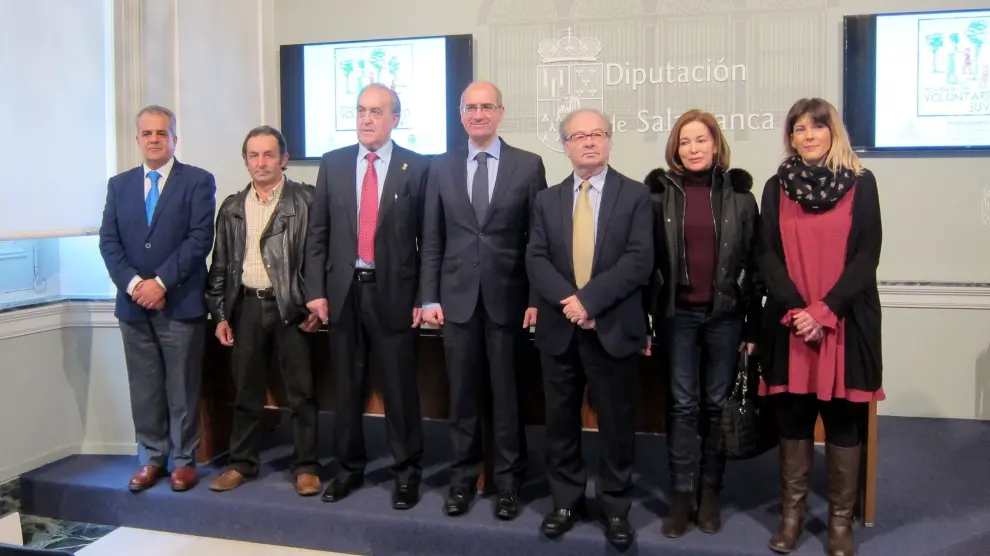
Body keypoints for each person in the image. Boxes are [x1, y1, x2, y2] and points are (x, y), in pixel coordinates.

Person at [758, 97, 883, 556]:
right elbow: (767, 254)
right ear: (790, 137)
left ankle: (839, 524)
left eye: (817, 127)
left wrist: (826, 311)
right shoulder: (776, 187)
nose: (808, 135)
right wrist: (797, 311)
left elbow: (866, 257)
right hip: (792, 324)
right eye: (798, 129)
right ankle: (791, 518)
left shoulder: (862, 185)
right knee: (792, 420)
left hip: (844, 324)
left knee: (843, 423)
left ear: (833, 132)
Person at [525, 107, 653, 549]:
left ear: (610, 141)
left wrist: (591, 301)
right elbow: (536, 259)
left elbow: (639, 260)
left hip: (611, 326)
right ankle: (565, 501)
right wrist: (571, 304)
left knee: (617, 422)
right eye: (579, 136)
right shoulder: (546, 200)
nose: (589, 142)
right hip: (562, 329)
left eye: (597, 134)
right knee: (560, 421)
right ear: (565, 145)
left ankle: (615, 507)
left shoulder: (635, 195)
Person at [420, 81, 548, 520]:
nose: (478, 114)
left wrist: (535, 296)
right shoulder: (440, 166)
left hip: (508, 301)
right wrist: (429, 295)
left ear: (501, 112)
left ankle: (510, 484)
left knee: (508, 396)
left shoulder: (528, 166)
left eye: (486, 106)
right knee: (462, 397)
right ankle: (462, 480)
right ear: (460, 115)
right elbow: (432, 237)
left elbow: (538, 241)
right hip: (455, 301)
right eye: (470, 107)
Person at [305, 83, 429, 510]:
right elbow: (317, 234)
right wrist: (316, 292)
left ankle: (407, 473)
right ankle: (347, 469)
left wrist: (425, 296)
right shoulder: (334, 163)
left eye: (377, 112)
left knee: (399, 388)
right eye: (360, 111)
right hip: (343, 294)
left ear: (395, 118)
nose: (366, 119)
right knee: (347, 386)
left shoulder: (418, 167)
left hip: (394, 294)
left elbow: (428, 239)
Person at [643, 109, 761, 537]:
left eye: (701, 140)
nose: (693, 149)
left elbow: (755, 265)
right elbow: (646, 262)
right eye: (685, 141)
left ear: (716, 145)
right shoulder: (659, 196)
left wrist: (751, 327)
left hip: (725, 317)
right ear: (676, 148)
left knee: (715, 405)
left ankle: (710, 491)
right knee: (682, 405)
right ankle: (680, 494)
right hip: (678, 316)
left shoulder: (741, 197)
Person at [98, 105, 216, 492]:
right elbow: (109, 242)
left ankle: (183, 461)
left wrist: (161, 283)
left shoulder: (198, 181)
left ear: (174, 139)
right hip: (133, 307)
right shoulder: (119, 185)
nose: (153, 139)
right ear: (137, 140)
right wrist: (135, 286)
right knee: (145, 388)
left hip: (180, 303)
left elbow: (200, 240)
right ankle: (151, 458)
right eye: (146, 133)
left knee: (182, 388)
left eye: (161, 133)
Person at [205, 126, 322, 496]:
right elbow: (220, 267)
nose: (261, 162)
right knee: (246, 391)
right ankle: (240, 464)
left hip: (292, 308)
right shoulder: (232, 208)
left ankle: (306, 466)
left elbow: (322, 258)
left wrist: (318, 300)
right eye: (253, 155)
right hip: (247, 309)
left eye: (269, 154)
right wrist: (220, 314)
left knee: (302, 392)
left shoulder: (306, 201)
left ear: (284, 159)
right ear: (245, 161)